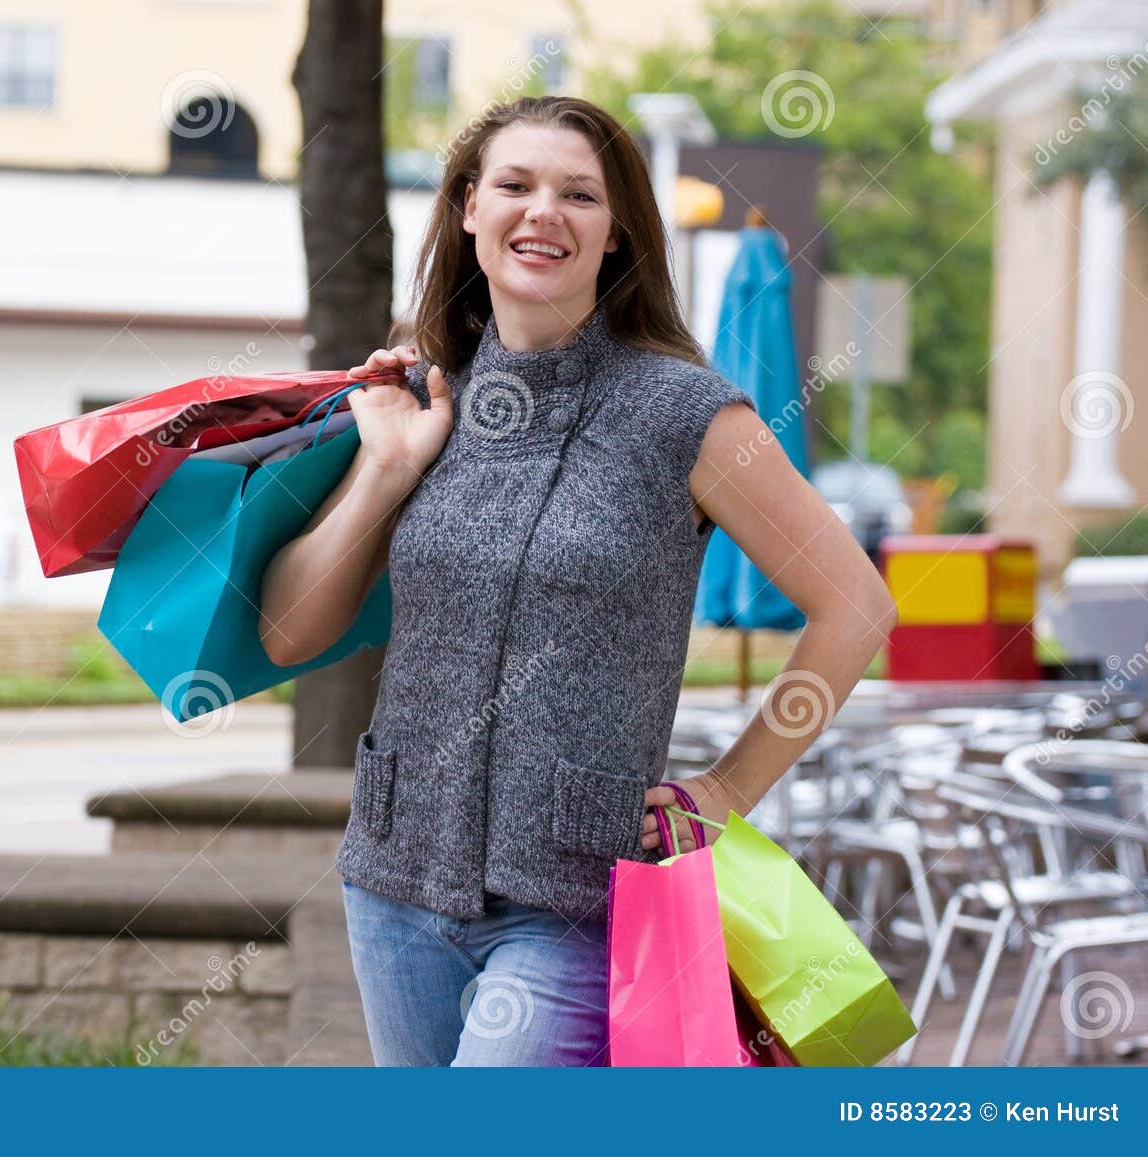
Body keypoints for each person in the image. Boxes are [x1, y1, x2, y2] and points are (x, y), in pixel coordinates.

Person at [258, 96, 897, 1066]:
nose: (542, 212)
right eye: (514, 185)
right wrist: (385, 467)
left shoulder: (683, 414)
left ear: (616, 231)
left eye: (579, 194)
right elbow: (288, 632)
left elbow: (856, 606)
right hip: (392, 886)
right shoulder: (421, 399)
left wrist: (726, 786)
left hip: (575, 904)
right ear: (470, 208)